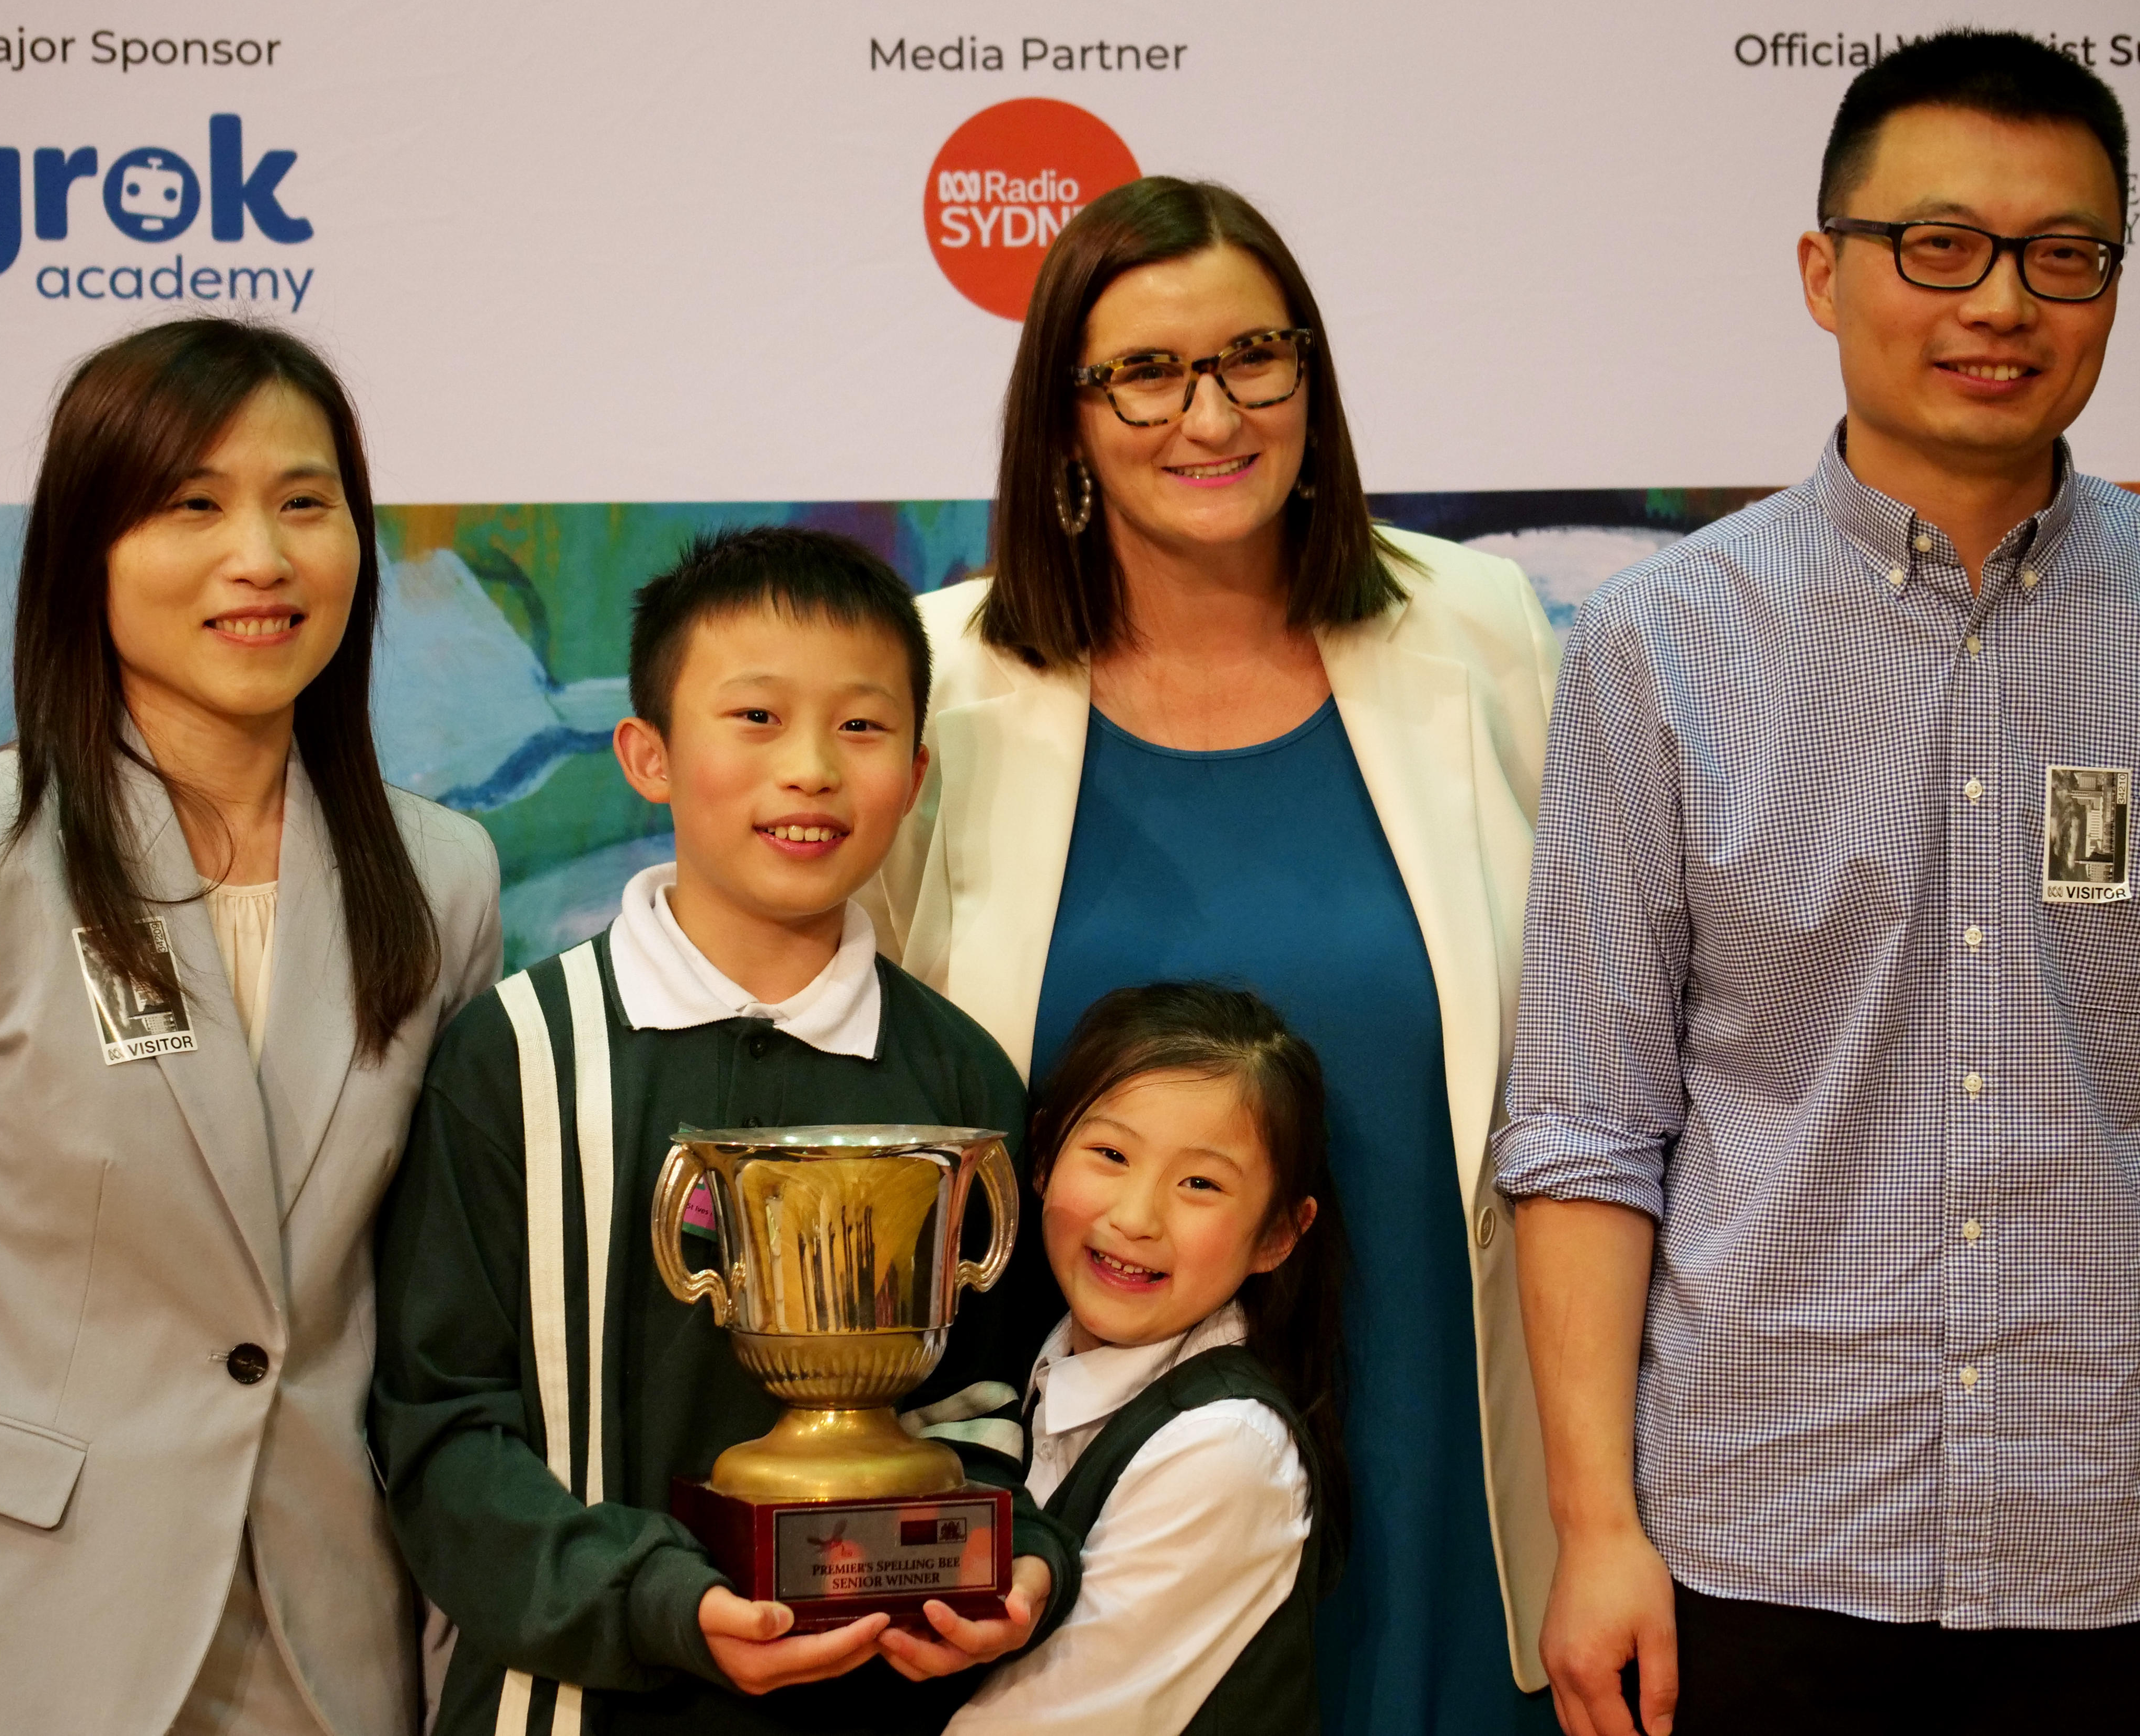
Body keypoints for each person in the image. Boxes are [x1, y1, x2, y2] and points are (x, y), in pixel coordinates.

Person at [1496, 29, 2140, 1736]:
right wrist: (1598, 1524)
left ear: (2112, 288)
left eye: (2065, 255)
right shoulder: (1655, 647)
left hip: (2114, 1541)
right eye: (1941, 246)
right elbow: (1590, 1127)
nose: (2001, 302)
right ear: (1825, 273)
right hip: (1749, 1544)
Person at [865, 176, 1561, 1732]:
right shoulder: (938, 680)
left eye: (1256, 356)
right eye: (1147, 373)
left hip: (1447, 1455)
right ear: (1065, 416)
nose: (1211, 414)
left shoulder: (1487, 633)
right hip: (1101, 1535)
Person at [0, 318, 504, 1735]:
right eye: (193, 503)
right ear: (87, 549)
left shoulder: (441, 874)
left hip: (328, 1643)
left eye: (305, 503)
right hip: (16, 1641)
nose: (263, 555)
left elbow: (441, 1325)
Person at [372, 526, 1079, 1736]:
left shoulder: (958, 1074)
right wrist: (658, 1600)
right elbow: (439, 1432)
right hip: (566, 1706)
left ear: (914, 775)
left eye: (859, 728)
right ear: (646, 754)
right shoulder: (520, 1055)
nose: (809, 768)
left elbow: (1001, 1409)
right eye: (754, 717)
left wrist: (1022, 1562)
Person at [951, 982, 1348, 1733]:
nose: (1134, 1216)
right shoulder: (1028, 1367)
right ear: (1041, 1157)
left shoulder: (1226, 1450)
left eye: (1200, 1182)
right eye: (1109, 1153)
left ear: (1279, 1235)